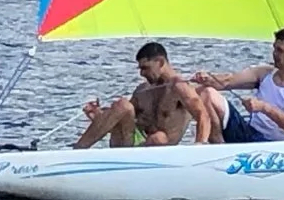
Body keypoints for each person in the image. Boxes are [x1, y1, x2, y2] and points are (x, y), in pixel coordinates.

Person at [193, 27, 284, 145]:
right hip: (250, 136)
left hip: (282, 147)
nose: (274, 54)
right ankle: (216, 145)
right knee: (206, 93)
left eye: (280, 51)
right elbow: (227, 81)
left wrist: (264, 108)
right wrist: (208, 78)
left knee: (206, 93)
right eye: (274, 49)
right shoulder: (264, 73)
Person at [73, 40, 209, 148]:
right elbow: (120, 122)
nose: (142, 73)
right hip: (132, 146)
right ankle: (77, 151)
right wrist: (97, 115)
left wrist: (199, 145)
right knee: (123, 105)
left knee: (159, 138)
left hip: (161, 151)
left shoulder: (180, 87)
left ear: (160, 62)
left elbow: (203, 115)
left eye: (145, 68)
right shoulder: (142, 90)